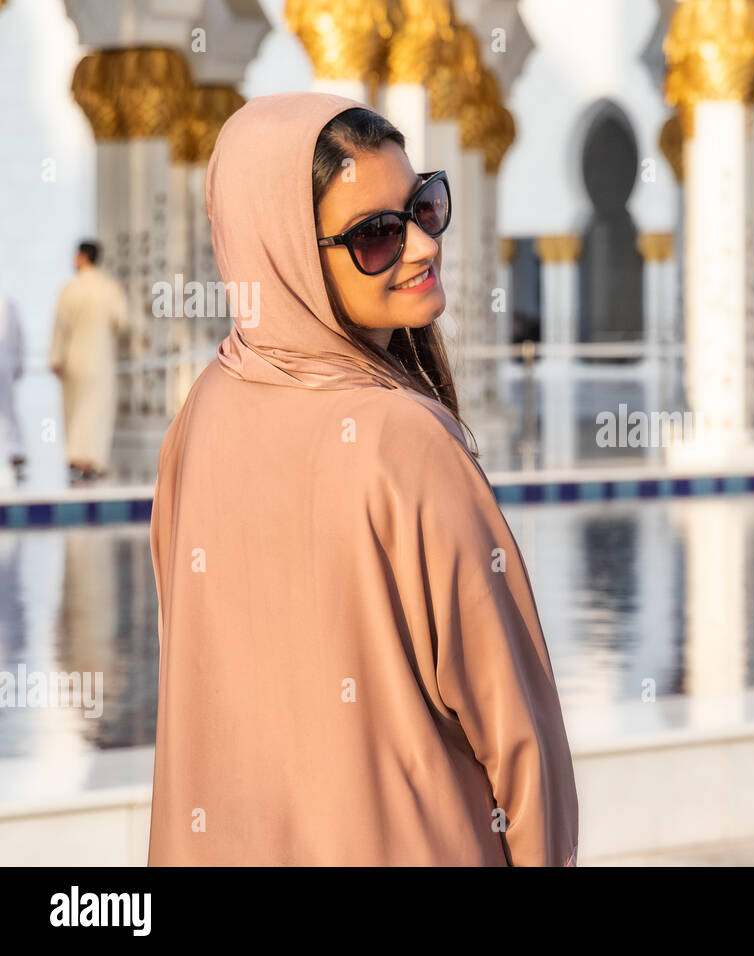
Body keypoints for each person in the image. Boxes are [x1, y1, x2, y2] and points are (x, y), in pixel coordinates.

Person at [148, 93, 579, 866]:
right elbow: (517, 738)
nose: (420, 246)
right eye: (376, 235)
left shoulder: (197, 421)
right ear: (286, 249)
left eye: (422, 205)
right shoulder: (402, 442)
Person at [49, 240, 126, 483]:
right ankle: (93, 459)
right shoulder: (109, 288)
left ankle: (75, 457)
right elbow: (121, 321)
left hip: (73, 357)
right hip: (100, 357)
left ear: (82, 257)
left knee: (74, 408)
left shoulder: (69, 289)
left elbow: (59, 328)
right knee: (97, 409)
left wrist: (56, 357)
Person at [0, 295, 24, 482]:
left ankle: (16, 454)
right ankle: (16, 454)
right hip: (6, 366)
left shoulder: (7, 304)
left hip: (4, 366)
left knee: (7, 412)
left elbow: (17, 337)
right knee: (8, 412)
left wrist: (17, 365)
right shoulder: (7, 304)